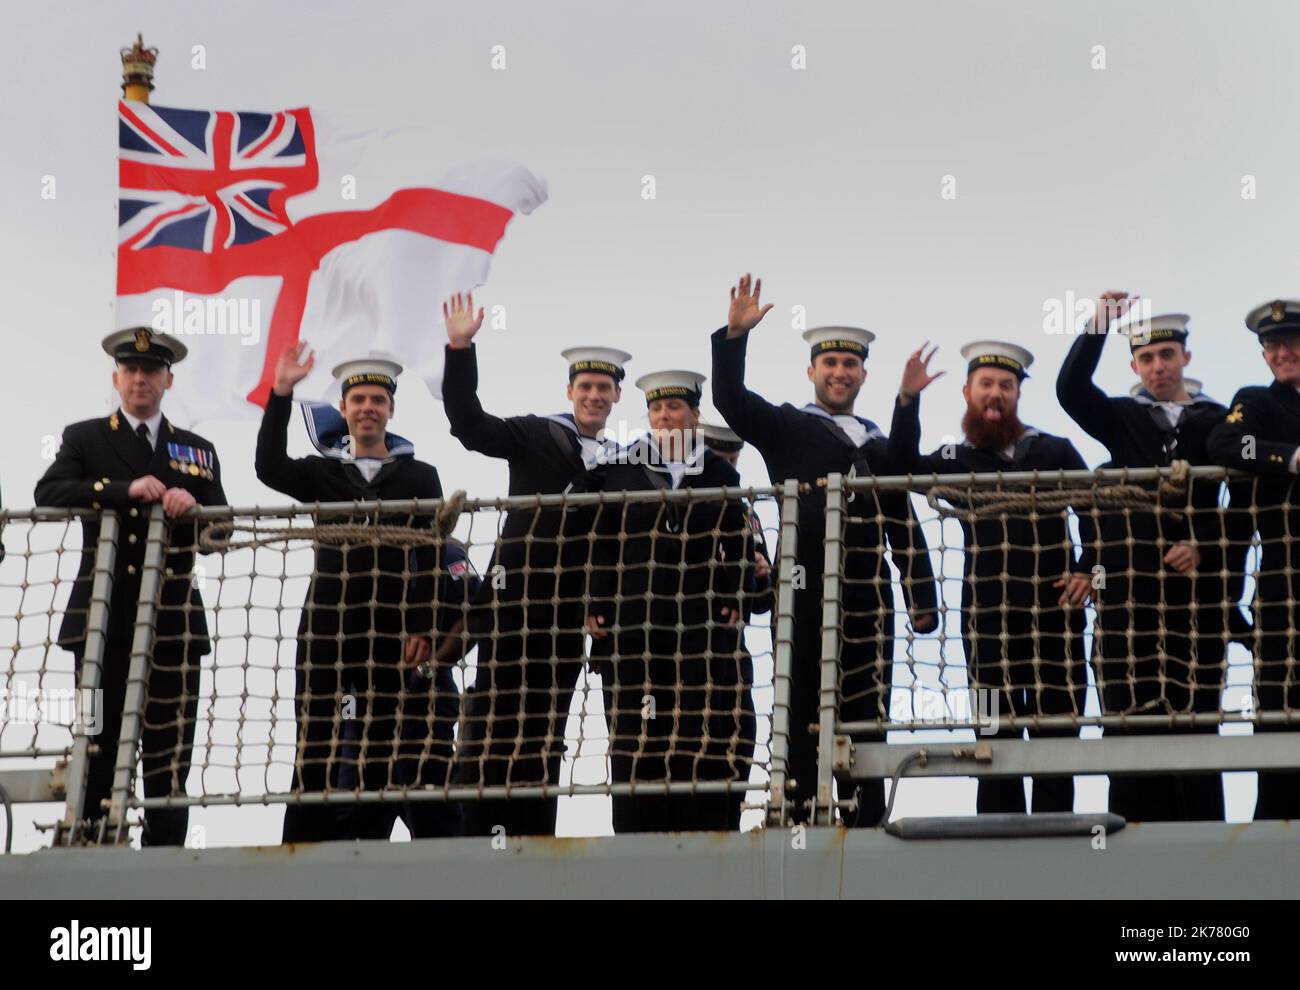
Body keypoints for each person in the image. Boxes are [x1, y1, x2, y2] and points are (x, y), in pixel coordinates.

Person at [711, 274, 939, 825]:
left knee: (865, 721)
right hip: (800, 594)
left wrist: (921, 597)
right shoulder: (787, 426)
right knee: (798, 717)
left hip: (867, 599)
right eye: (830, 364)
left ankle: (864, 830)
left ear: (863, 374)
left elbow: (901, 517)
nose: (840, 372)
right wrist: (735, 337)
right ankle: (794, 825)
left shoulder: (878, 444)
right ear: (811, 372)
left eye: (850, 364)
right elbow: (731, 401)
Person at [1057, 295, 1251, 822]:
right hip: (1128, 604)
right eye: (1146, 358)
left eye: (1167, 355)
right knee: (1127, 725)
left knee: (1196, 722)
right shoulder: (1122, 419)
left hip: (1195, 607)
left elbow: (1243, 504)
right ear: (1134, 367)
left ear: (1186, 357)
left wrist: (1205, 543)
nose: (1158, 366)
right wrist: (1099, 323)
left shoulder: (1217, 422)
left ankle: (1203, 844)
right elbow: (1070, 390)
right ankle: (1133, 841)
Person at [257, 344, 461, 842]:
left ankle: (366, 845)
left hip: (390, 630)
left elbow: (431, 555)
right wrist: (280, 394)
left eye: (377, 400)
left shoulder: (419, 476)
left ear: (391, 409)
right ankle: (302, 849)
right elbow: (268, 466)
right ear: (344, 409)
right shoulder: (320, 472)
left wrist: (424, 627)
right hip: (327, 627)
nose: (368, 408)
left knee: (380, 743)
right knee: (315, 742)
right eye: (359, 400)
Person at [441, 292, 628, 836]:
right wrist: (460, 349)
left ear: (616, 396)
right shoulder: (533, 433)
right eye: (585, 386)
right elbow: (469, 425)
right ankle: (476, 841)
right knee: (492, 726)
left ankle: (532, 843)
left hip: (567, 619)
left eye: (603, 388)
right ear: (570, 391)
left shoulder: (622, 463)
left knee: (547, 734)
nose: (594, 395)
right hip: (513, 607)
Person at [35, 327, 226, 845]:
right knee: (95, 746)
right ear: (117, 378)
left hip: (174, 629)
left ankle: (165, 869)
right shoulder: (86, 438)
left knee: (170, 761)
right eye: (132, 370)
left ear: (168, 380)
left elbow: (222, 532)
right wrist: (126, 490)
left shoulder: (197, 450)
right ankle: (92, 855)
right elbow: (49, 492)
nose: (141, 379)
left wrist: (195, 508)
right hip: (100, 629)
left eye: (151, 371)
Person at [893, 340, 1092, 814]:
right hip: (985, 622)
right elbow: (899, 466)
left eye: (1006, 385)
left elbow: (1096, 513)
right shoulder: (955, 458)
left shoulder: (1055, 450)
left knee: (1058, 731)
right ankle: (996, 835)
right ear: (967, 392)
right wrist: (907, 400)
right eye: (986, 384)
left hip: (1056, 617)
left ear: (1018, 394)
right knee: (990, 731)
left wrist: (1091, 571)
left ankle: (1056, 836)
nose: (996, 393)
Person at [587, 371, 750, 832]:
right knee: (635, 736)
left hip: (698, 631)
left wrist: (734, 594)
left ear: (694, 416)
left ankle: (693, 837)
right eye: (656, 409)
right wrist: (595, 602)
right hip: (633, 630)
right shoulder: (622, 468)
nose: (664, 416)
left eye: (674, 408)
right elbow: (601, 541)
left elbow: (737, 539)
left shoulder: (719, 474)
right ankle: (637, 839)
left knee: (697, 733)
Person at [1207, 298, 1300, 821]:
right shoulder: (1259, 402)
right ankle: (1277, 837)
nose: (1282, 353)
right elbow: (1226, 443)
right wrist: (1289, 458)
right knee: (1282, 715)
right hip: (1288, 588)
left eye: (1292, 342)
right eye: (1273, 345)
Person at [699, 419, 773, 826]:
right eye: (718, 460)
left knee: (736, 747)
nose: (726, 470)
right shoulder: (667, 498)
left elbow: (761, 602)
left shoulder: (745, 514)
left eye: (732, 461)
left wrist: (760, 575)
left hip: (729, 657)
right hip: (675, 651)